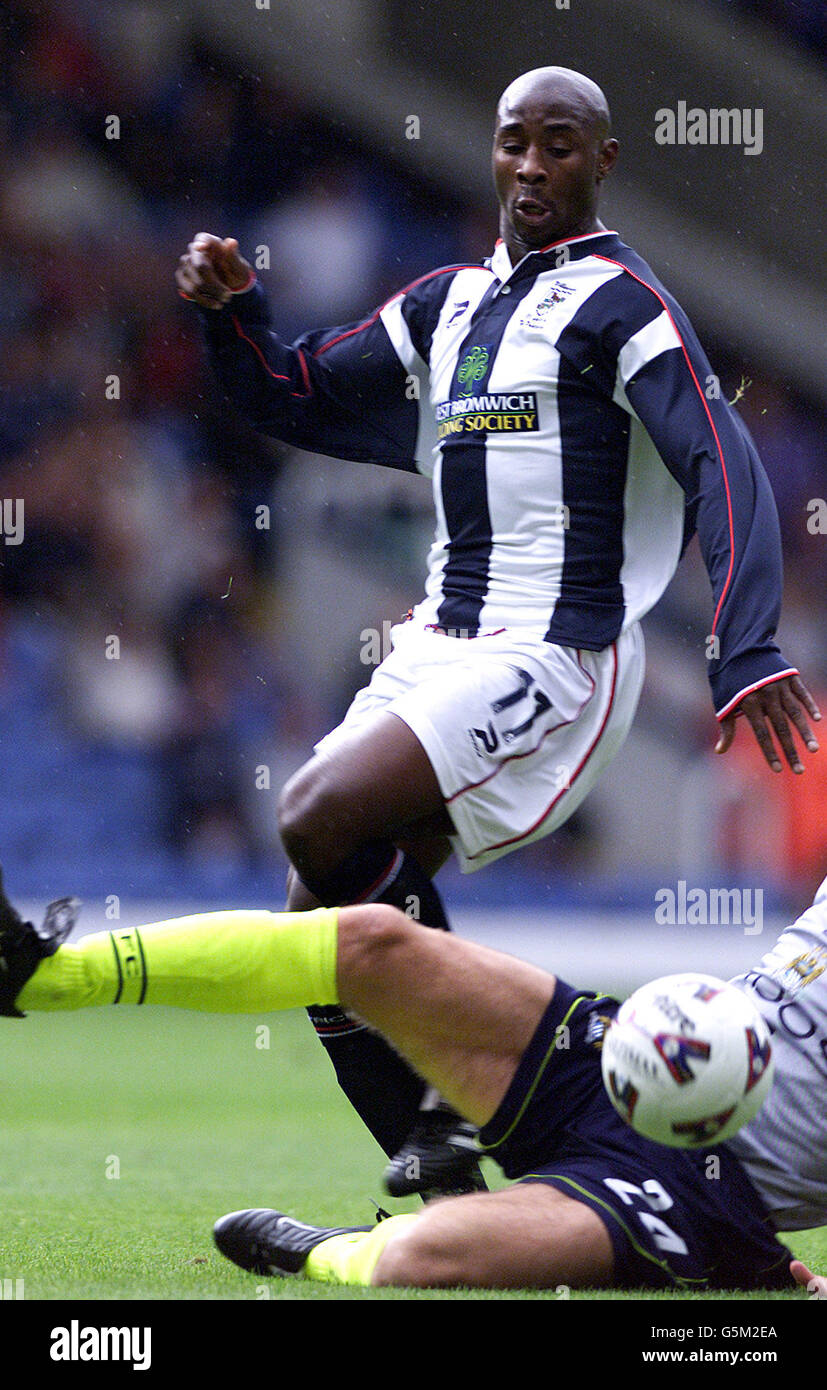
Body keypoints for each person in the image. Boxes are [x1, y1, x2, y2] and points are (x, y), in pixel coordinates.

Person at [174, 65, 819, 1197]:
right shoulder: (447, 306)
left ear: (602, 161)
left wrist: (746, 642)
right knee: (315, 926)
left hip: (557, 654)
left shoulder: (623, 304)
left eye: (558, 144)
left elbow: (722, 466)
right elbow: (290, 392)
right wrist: (233, 314)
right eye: (513, 141)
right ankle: (454, 1200)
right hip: (440, 645)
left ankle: (472, 1078)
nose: (530, 166)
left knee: (313, 815)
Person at [4, 868, 827, 1294]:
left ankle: (327, 1253)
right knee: (369, 943)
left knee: (430, 1255)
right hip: (624, 1055)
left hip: (707, 1191)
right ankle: (41, 978)